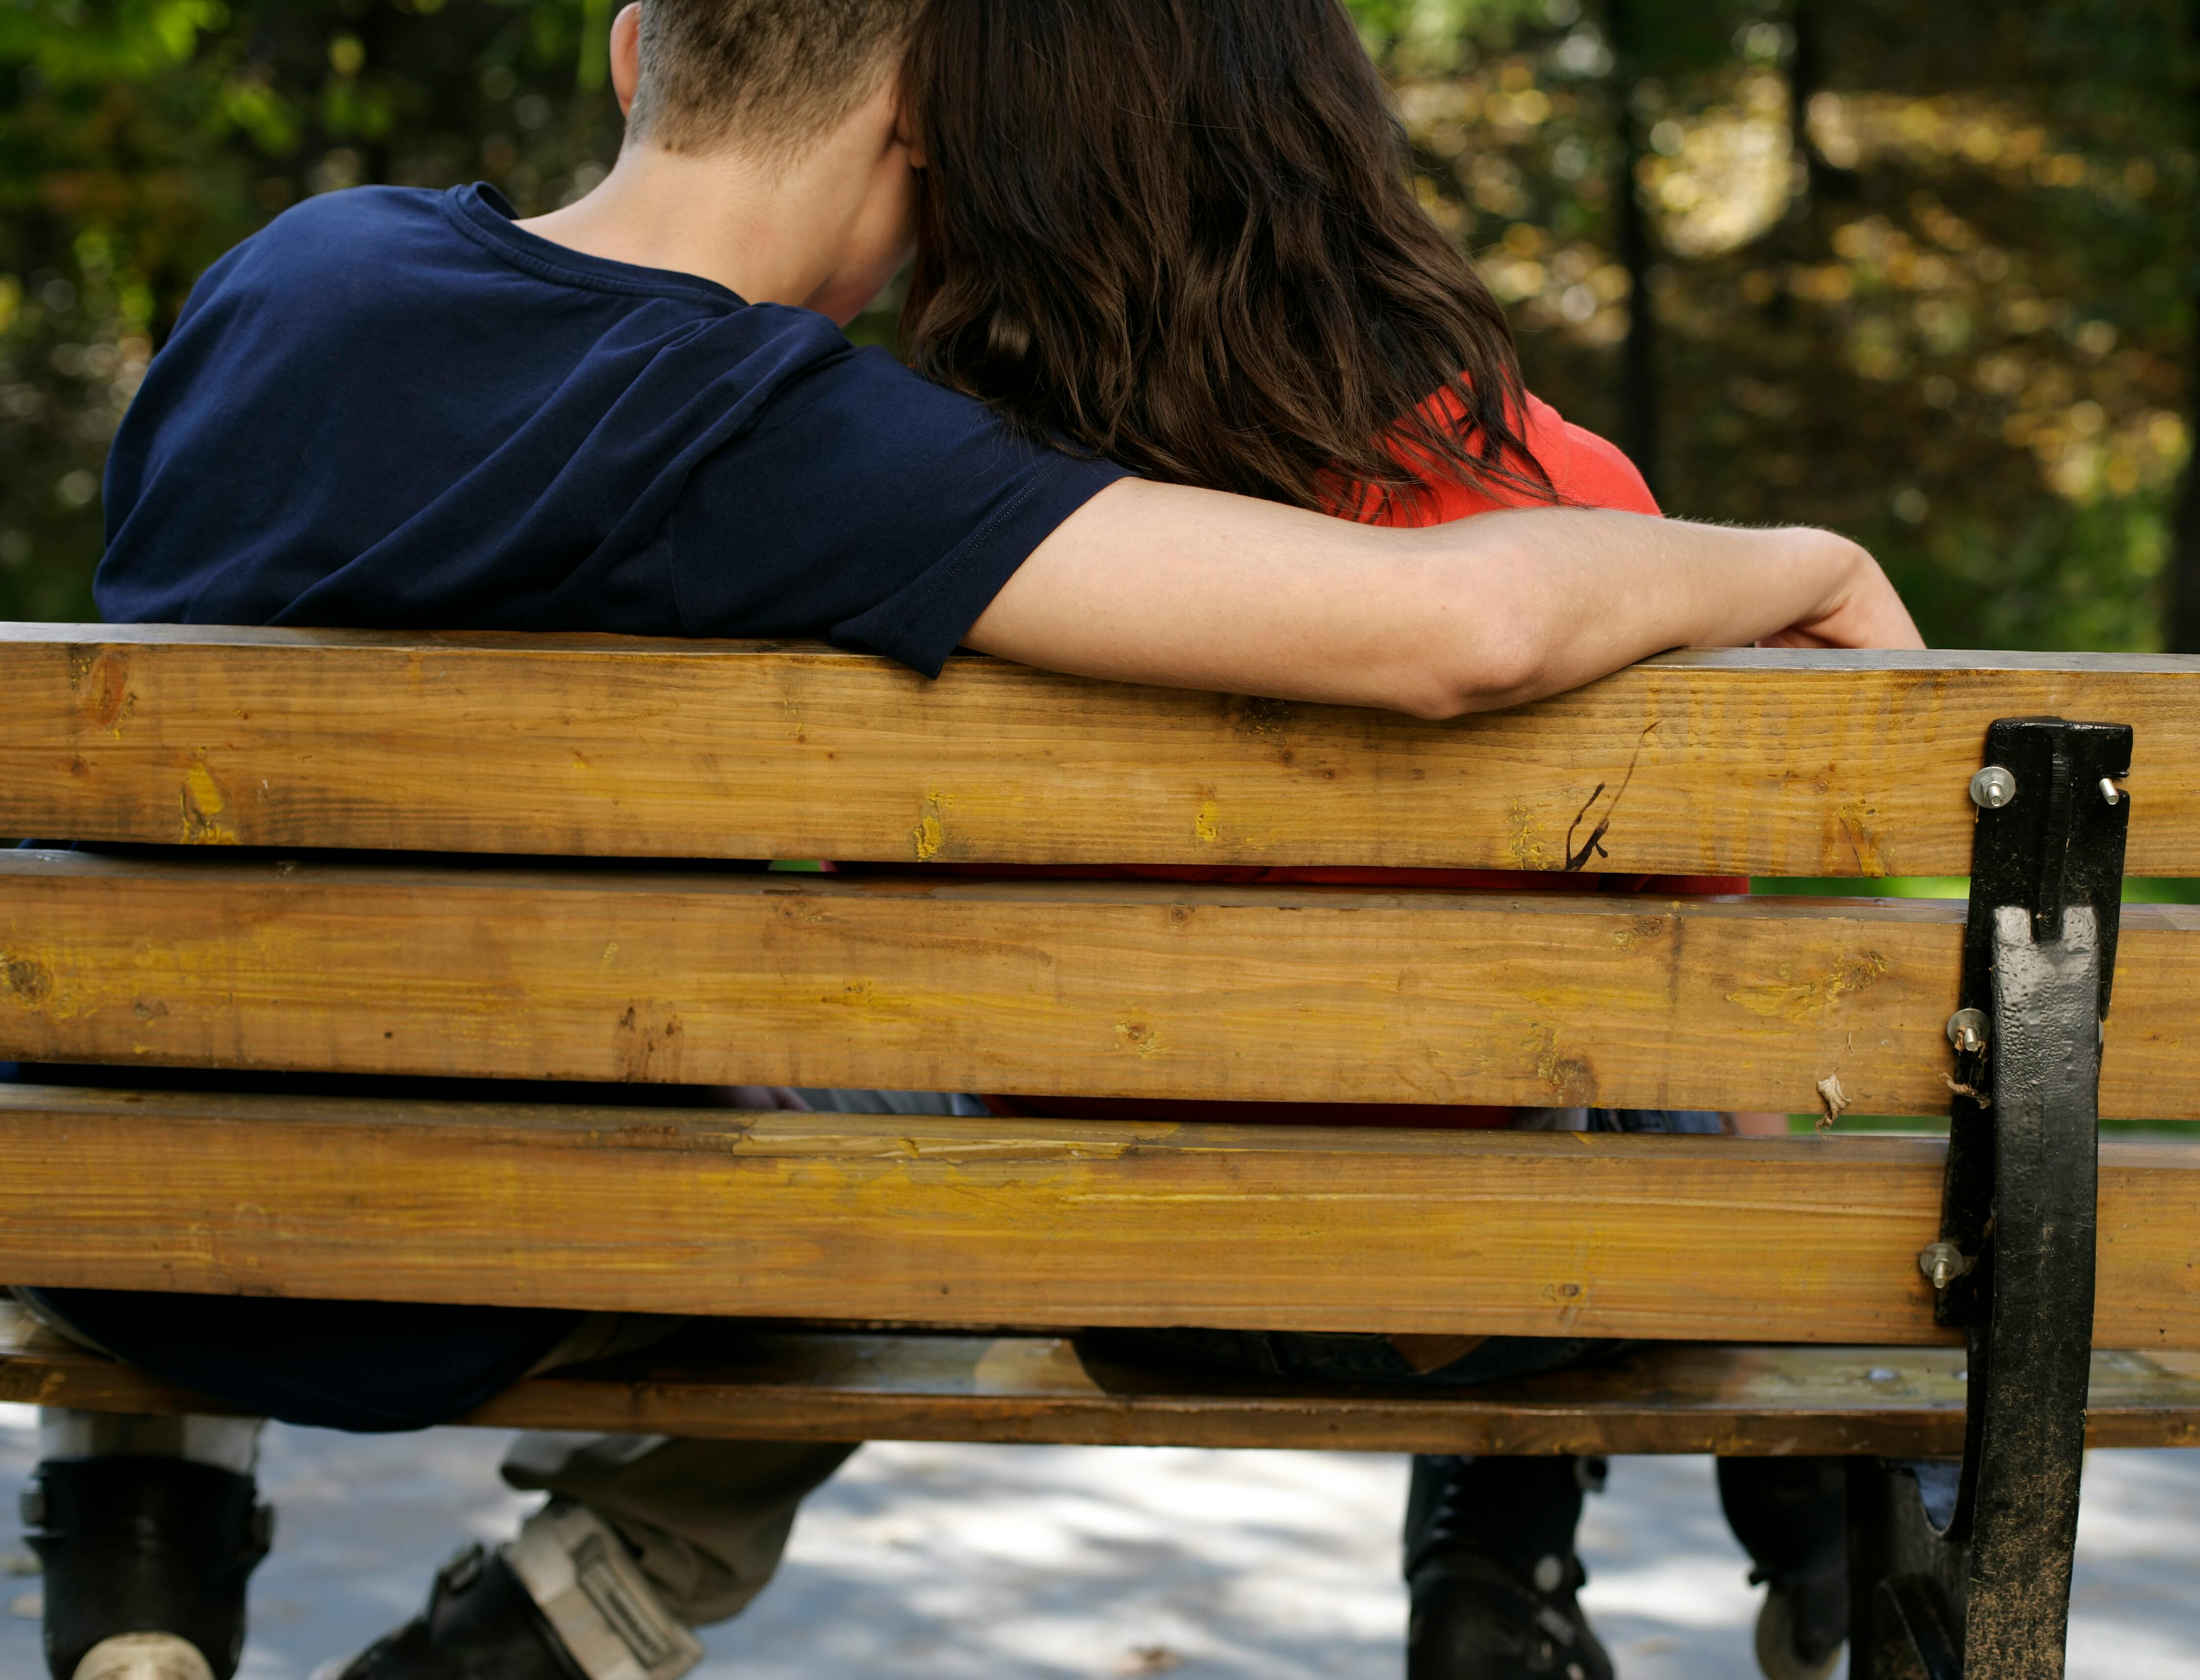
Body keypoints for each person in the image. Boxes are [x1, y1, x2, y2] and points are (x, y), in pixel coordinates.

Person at [14, 3, 1917, 1680]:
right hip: (484, 1258)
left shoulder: (290, 273)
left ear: (628, 47)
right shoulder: (788, 433)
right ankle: (567, 1608)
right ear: (929, 117)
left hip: (115, 1220)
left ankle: (139, 1547)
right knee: (889, 1153)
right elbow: (1449, 631)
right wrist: (1788, 559)